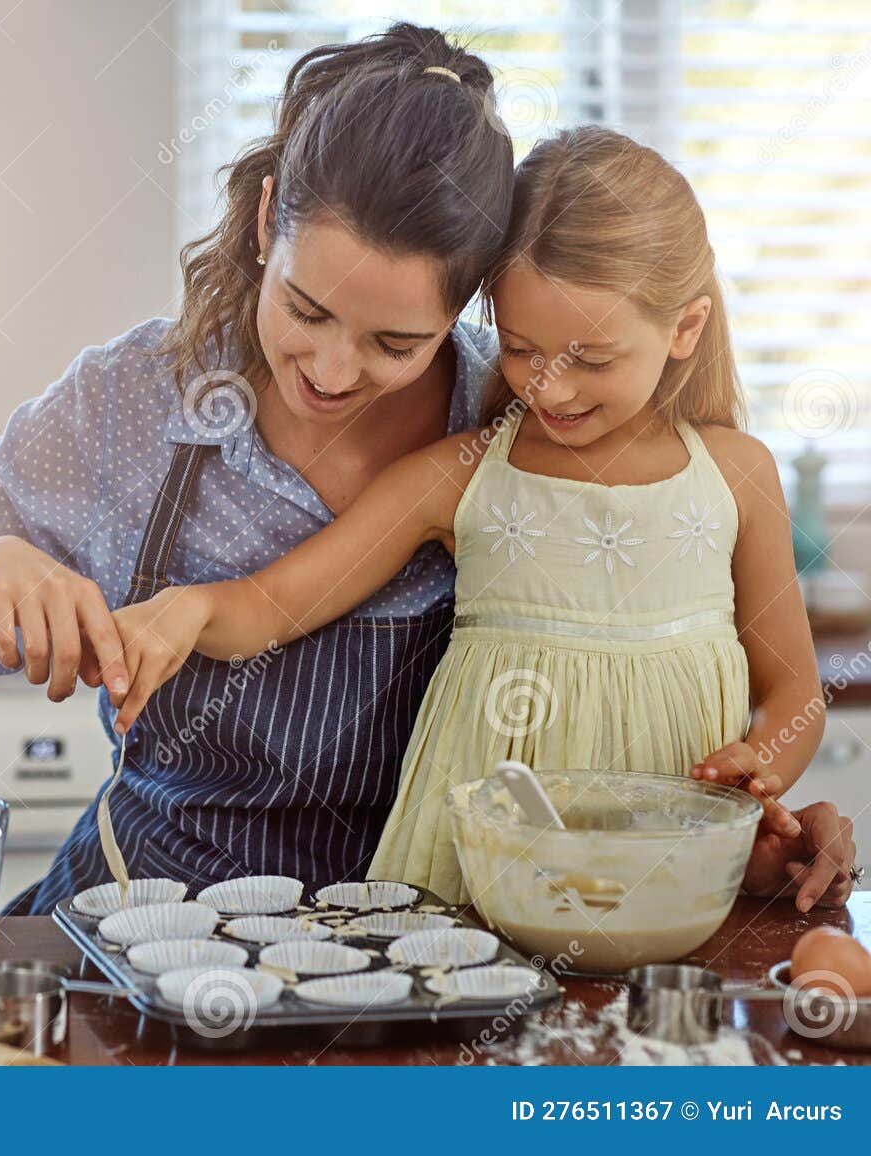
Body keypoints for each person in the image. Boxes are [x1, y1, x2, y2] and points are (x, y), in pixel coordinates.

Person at [0, 25, 858, 914]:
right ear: (266, 223)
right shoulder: (124, 409)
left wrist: (741, 829)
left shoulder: (524, 434)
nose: (334, 369)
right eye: (305, 310)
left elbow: (653, 692)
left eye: (398, 343)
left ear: (471, 302)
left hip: (432, 957)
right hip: (147, 932)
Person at [106, 126, 857, 906]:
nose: (552, 389)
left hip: (672, 872)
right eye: (523, 350)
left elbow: (791, 685)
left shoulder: (737, 475)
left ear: (685, 330)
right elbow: (273, 604)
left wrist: (761, 765)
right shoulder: (459, 477)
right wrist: (189, 610)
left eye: (591, 361)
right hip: (477, 881)